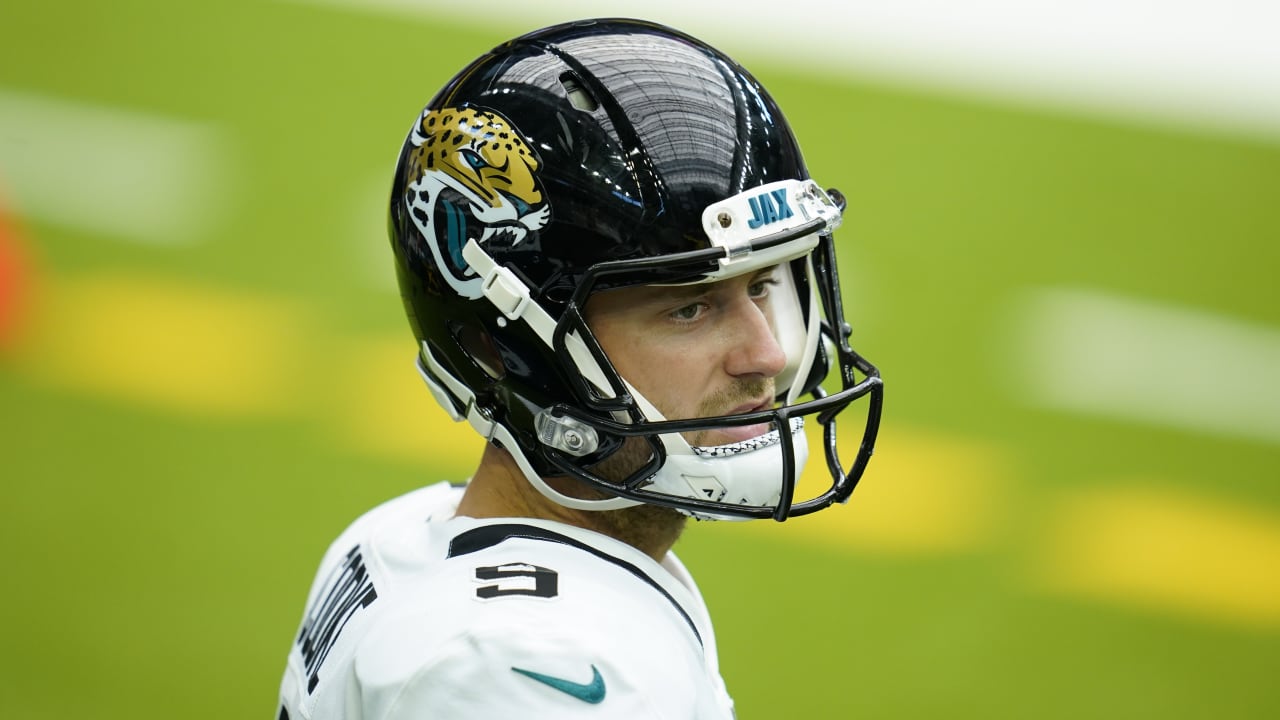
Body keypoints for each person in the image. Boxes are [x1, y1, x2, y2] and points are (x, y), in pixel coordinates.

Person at [277, 17, 883, 719]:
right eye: (688, 311)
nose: (768, 355)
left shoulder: (415, 536)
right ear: (501, 349)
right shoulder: (521, 668)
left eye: (760, 288)